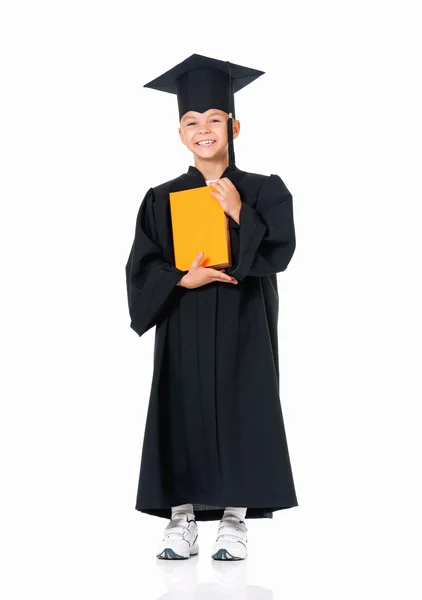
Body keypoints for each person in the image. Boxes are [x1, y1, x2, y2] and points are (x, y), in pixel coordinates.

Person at [125, 53, 298, 561]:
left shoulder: (264, 190)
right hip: (184, 322)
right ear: (180, 133)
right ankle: (180, 523)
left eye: (215, 120)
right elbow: (141, 266)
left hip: (246, 324)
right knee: (180, 409)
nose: (204, 131)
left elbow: (279, 252)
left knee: (243, 408)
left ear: (235, 125)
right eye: (192, 122)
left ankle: (234, 522)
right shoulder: (162, 198)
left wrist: (239, 211)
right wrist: (184, 278)